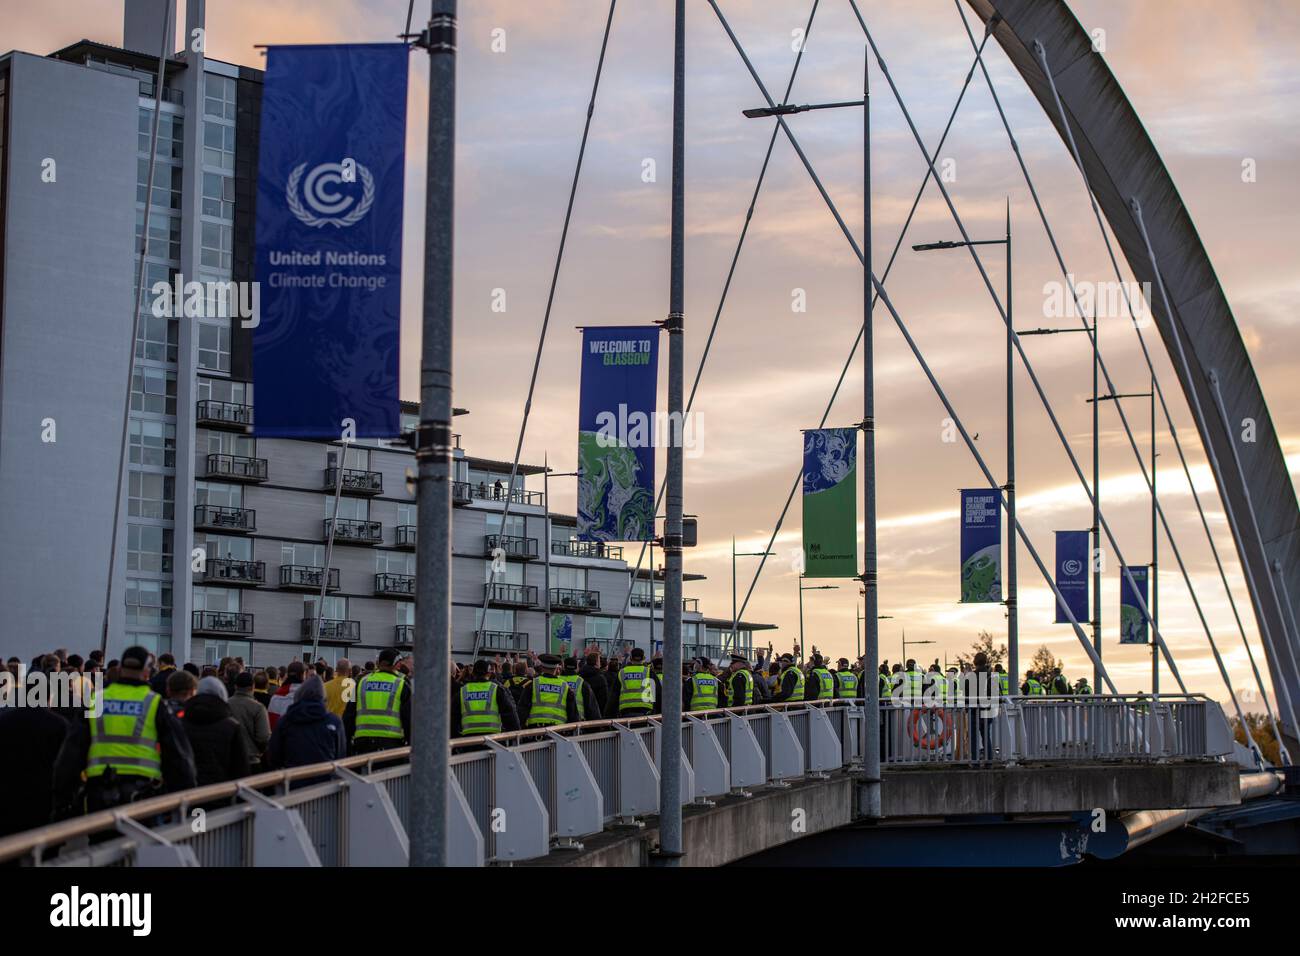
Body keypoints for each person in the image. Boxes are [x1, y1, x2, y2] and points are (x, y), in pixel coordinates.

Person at [52, 645, 196, 816]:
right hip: (143, 795)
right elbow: (178, 757)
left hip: (99, 793)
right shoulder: (154, 704)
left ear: (120, 669)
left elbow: (72, 753)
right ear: (147, 672)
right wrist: (186, 801)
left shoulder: (97, 700)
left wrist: (63, 801)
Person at [0, 668, 70, 836]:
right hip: (43, 798)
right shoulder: (60, 725)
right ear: (48, 696)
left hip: (7, 796)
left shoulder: (4, 720)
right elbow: (66, 765)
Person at [180, 676, 251, 786]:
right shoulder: (231, 727)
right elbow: (241, 768)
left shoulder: (180, 723)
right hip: (221, 789)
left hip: (186, 789)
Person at [267, 676, 347, 769]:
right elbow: (340, 756)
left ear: (299, 695)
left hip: (293, 775)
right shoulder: (334, 722)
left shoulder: (285, 721)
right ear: (323, 697)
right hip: (325, 775)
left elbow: (274, 756)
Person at [344, 648, 411, 753]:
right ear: (397, 665)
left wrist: (347, 745)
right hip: (391, 744)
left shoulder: (361, 682)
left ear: (379, 663)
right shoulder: (402, 684)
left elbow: (348, 715)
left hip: (363, 743)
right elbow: (409, 718)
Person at [453, 659, 520, 736]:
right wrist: (516, 735)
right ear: (488, 673)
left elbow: (453, 717)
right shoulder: (496, 689)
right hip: (493, 737)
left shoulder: (463, 691)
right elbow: (509, 714)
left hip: (469, 737)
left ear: (473, 673)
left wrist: (456, 736)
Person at [518, 654, 579, 727]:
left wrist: (522, 728)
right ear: (556, 669)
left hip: (535, 729)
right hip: (558, 730)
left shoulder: (533, 683)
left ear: (542, 668)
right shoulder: (565, 686)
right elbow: (573, 713)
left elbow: (522, 709)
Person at [228, 670, 271, 770]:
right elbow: (263, 737)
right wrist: (261, 751)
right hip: (252, 760)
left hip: (230, 760)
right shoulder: (258, 708)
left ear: (235, 686)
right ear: (253, 686)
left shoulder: (225, 704)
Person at [607, 647, 655, 717]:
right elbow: (656, 693)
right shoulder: (649, 672)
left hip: (626, 710)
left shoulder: (622, 672)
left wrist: (608, 715)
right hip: (645, 710)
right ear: (643, 658)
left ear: (631, 658)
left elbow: (614, 696)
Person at [267, 659, 308, 731]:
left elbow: (272, 723)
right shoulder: (308, 695)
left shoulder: (276, 696)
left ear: (287, 674)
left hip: (280, 735)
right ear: (303, 674)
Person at [559, 657, 599, 721]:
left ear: (564, 667)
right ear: (577, 668)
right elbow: (591, 708)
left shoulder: (557, 680)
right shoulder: (582, 683)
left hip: (558, 721)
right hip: (578, 722)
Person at [579, 650, 609, 715]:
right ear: (596, 663)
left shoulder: (580, 676)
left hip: (581, 710)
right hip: (596, 711)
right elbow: (604, 699)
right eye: (599, 660)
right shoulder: (600, 678)